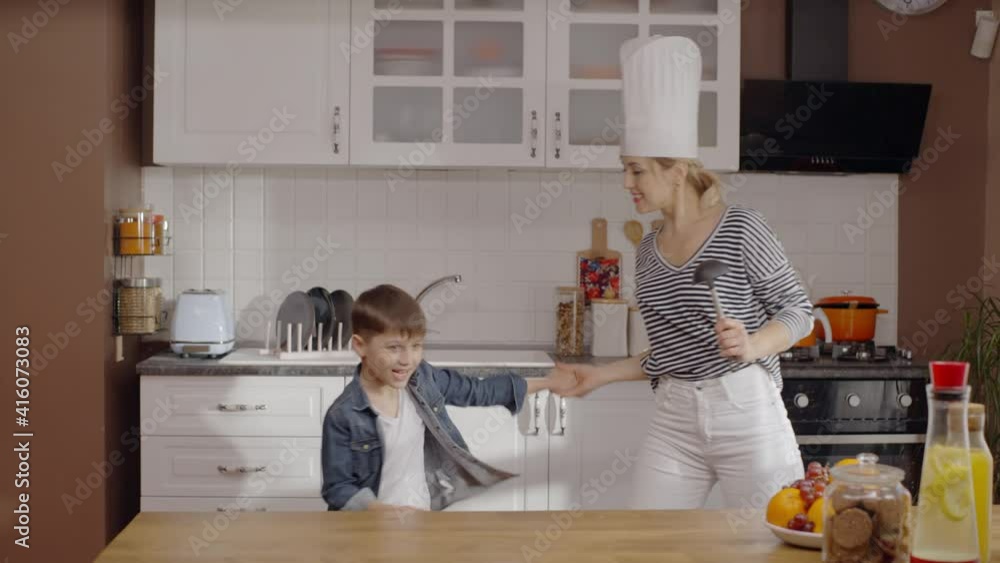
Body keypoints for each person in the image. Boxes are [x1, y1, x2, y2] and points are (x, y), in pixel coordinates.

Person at [558, 36, 813, 509]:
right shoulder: (648, 249)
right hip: (675, 417)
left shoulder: (741, 227)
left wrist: (754, 343)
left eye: (636, 171)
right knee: (652, 546)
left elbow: (799, 310)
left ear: (676, 171)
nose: (626, 183)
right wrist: (601, 376)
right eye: (625, 170)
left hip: (745, 411)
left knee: (765, 545)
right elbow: (668, 354)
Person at [321, 284, 571, 512]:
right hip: (369, 532)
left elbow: (477, 390)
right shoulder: (344, 414)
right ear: (360, 346)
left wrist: (549, 382)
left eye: (417, 346)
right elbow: (339, 489)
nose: (408, 360)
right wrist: (384, 513)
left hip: (421, 519)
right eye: (394, 347)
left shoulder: (421, 380)